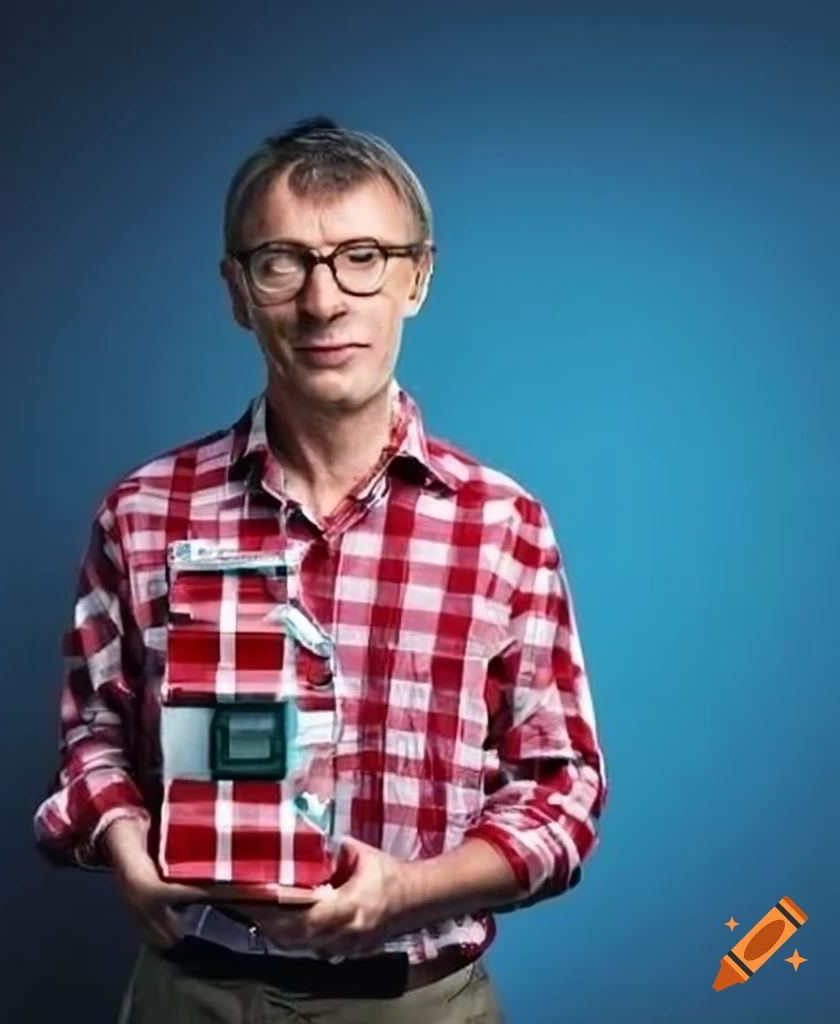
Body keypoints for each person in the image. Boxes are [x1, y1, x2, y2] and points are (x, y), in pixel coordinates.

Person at [34, 116, 608, 1023]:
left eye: (363, 257)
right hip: (193, 994)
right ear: (236, 291)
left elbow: (561, 792)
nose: (323, 299)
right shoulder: (143, 512)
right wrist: (121, 837)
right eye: (282, 262)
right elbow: (94, 737)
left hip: (422, 1002)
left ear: (416, 277)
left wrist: (408, 894)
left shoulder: (504, 526)